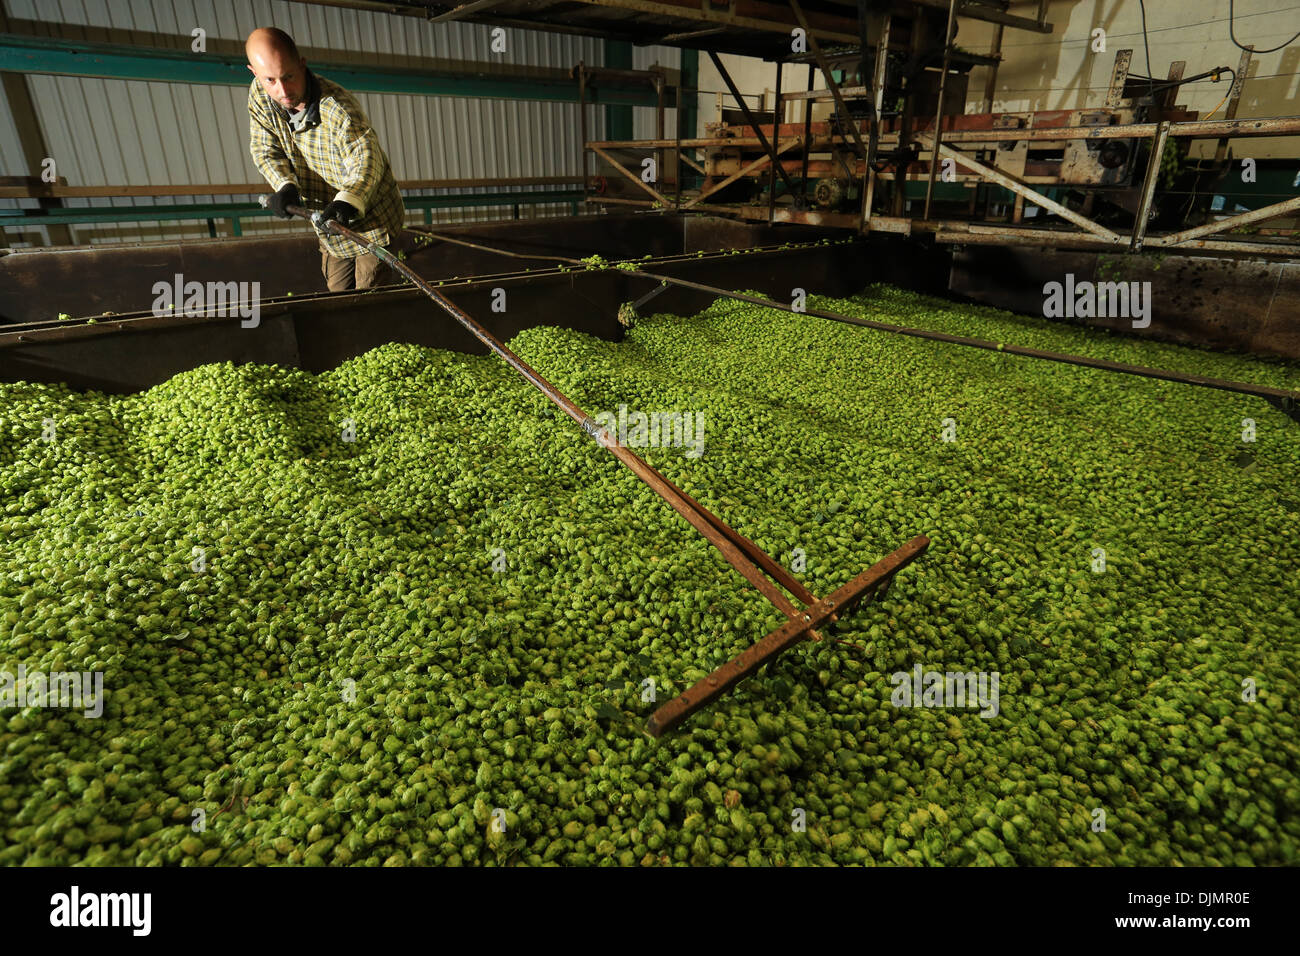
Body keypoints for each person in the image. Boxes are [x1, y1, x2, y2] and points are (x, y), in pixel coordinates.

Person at [245, 27, 405, 291]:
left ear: (302, 65)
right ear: (254, 73)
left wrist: (347, 201)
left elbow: (366, 158)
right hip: (327, 222)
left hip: (371, 218)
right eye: (270, 80)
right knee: (338, 295)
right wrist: (284, 185)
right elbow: (265, 147)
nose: (283, 90)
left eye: (289, 76)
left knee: (368, 299)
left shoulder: (338, 108)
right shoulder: (260, 96)